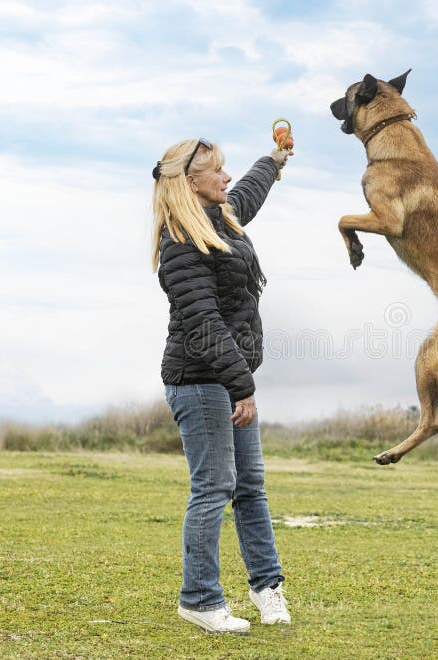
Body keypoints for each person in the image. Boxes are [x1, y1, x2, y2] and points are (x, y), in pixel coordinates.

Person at [151, 136, 293, 634]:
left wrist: (274, 161)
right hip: (200, 380)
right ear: (191, 182)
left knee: (250, 488)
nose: (226, 178)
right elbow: (204, 323)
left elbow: (249, 192)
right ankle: (199, 599)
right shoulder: (180, 241)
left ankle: (266, 588)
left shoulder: (221, 219)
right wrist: (242, 387)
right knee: (213, 488)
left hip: (226, 378)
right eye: (217, 172)